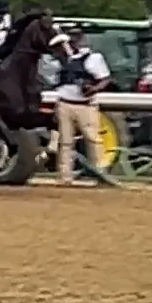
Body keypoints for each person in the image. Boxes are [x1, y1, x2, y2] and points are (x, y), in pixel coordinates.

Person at [54, 26, 113, 186]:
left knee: (93, 139)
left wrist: (93, 89)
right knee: (65, 141)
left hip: (85, 104)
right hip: (65, 102)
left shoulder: (93, 58)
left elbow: (105, 79)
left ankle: (101, 173)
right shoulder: (63, 59)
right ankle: (65, 176)